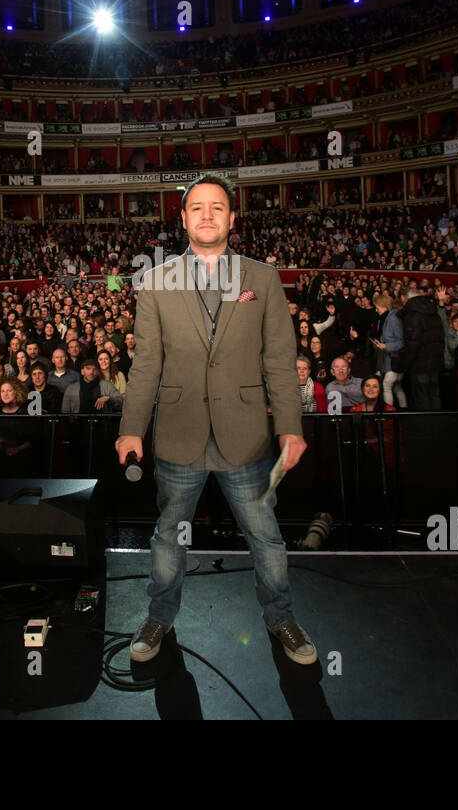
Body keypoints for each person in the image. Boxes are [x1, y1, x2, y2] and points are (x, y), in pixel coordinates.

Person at [115, 173, 312, 666]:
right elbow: (146, 365)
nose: (207, 214)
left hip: (245, 437)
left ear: (231, 217)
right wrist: (130, 428)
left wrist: (290, 425)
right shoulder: (156, 281)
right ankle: (159, 615)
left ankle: (281, 618)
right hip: (179, 435)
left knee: (265, 536)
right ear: (182, 219)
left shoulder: (263, 278)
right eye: (197, 207)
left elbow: (279, 360)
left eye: (217, 207)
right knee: (168, 535)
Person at [394, 287, 445, 410]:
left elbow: (413, 344)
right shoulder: (433, 311)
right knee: (434, 393)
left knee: (421, 396)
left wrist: (404, 364)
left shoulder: (413, 315)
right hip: (435, 361)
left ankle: (425, 426)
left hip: (420, 363)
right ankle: (437, 424)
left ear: (404, 298)